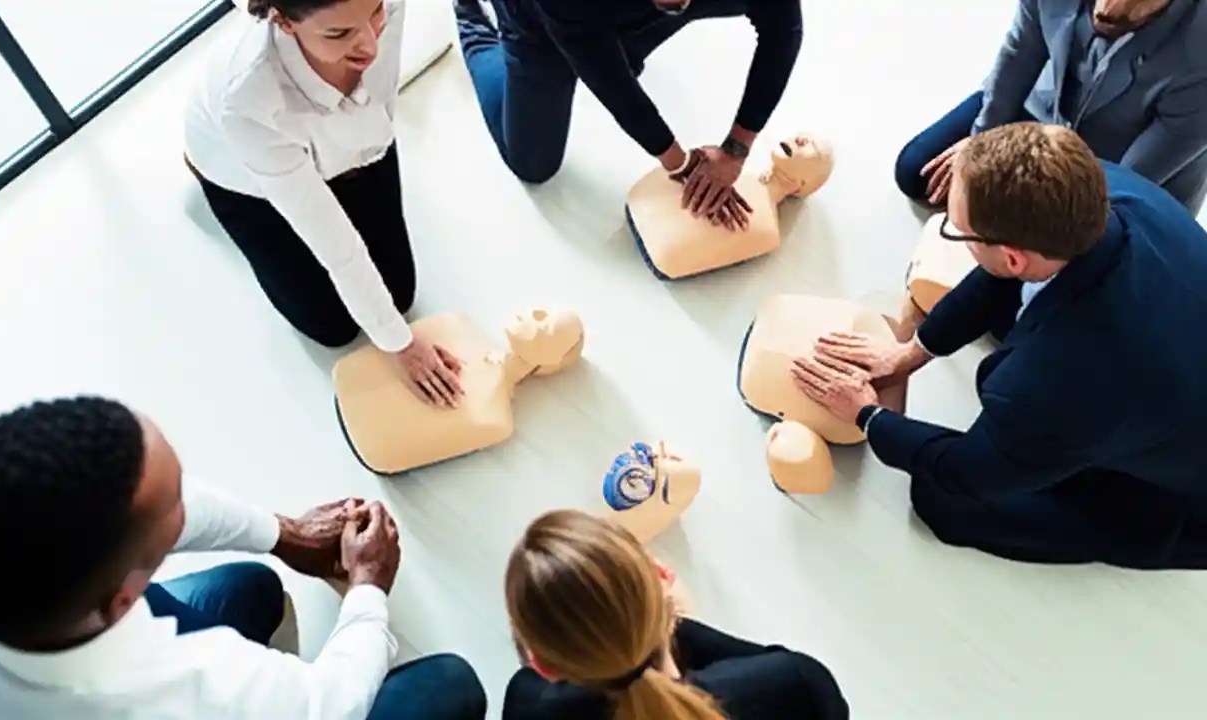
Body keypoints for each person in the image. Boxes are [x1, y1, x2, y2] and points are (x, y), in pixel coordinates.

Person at [793, 122, 1207, 569]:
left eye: (958, 231)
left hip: (1181, 493)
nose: (953, 235)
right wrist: (912, 351)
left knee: (942, 499)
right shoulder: (1098, 188)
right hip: (1169, 368)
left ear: (1013, 255)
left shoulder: (1058, 379)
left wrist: (867, 415)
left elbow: (964, 473)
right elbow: (999, 278)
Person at [0, 397, 487, 719]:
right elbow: (330, 704)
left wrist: (283, 535)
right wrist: (368, 587)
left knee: (250, 588)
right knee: (450, 686)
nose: (187, 502)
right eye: (174, 511)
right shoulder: (193, 690)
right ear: (125, 599)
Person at [186, 0, 464, 407]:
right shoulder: (248, 102)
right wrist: (403, 347)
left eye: (375, 13)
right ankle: (200, 174)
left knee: (399, 295)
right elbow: (335, 245)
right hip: (248, 180)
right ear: (283, 21)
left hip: (354, 144)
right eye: (339, 33)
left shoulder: (386, 6)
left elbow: (379, 95)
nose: (369, 43)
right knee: (331, 326)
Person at [452, 0, 804, 226]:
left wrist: (736, 149)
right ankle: (470, 18)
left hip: (600, 15)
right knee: (533, 164)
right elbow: (600, 68)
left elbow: (783, 27)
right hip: (536, 16)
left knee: (626, 53)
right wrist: (678, 161)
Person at [502, 509, 849, 719]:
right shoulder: (791, 686)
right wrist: (671, 620)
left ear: (543, 665)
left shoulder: (529, 705)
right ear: (662, 573)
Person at [895, 0, 1207, 215]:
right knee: (916, 171)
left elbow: (1128, 182)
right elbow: (1020, 52)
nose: (1107, 9)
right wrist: (983, 142)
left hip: (1115, 165)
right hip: (1043, 110)